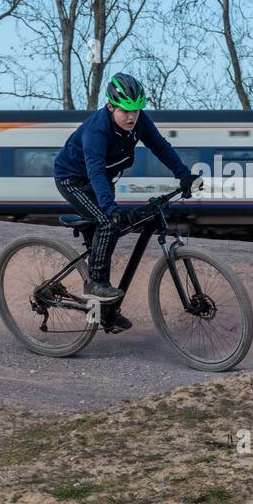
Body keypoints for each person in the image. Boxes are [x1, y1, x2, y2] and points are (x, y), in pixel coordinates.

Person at [54, 73, 196, 333]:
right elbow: (95, 170)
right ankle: (94, 285)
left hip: (100, 180)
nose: (132, 117)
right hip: (73, 179)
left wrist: (184, 174)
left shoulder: (139, 123)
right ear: (110, 107)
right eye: (126, 111)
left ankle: (104, 311)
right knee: (108, 222)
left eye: (137, 110)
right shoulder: (97, 129)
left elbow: (160, 147)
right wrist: (109, 209)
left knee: (107, 234)